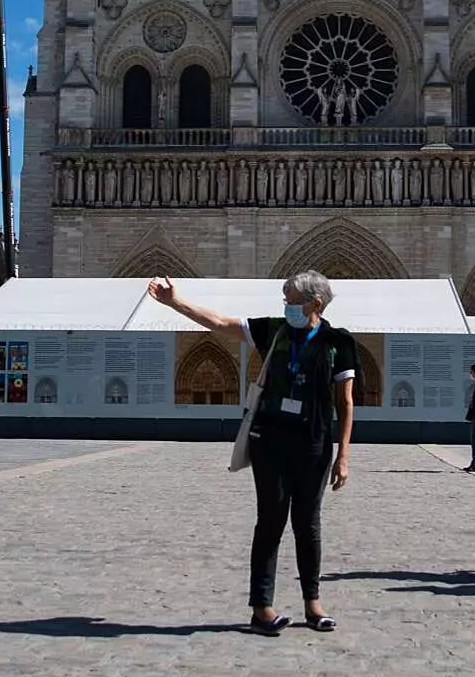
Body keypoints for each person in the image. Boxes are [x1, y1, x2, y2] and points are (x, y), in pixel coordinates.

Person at [150, 272, 356, 634]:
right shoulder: (274, 331)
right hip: (270, 441)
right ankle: (262, 608)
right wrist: (174, 302)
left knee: (308, 525)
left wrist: (343, 455)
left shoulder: (337, 342)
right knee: (271, 522)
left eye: (291, 299)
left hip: (313, 443)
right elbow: (219, 322)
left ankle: (313, 603)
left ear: (315, 304)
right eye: (285, 299)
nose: (286, 305)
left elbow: (346, 402)